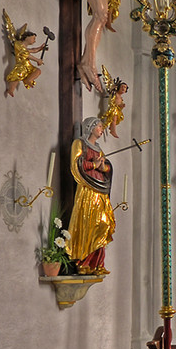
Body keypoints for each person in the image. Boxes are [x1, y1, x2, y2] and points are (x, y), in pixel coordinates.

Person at [65, 117, 116, 275]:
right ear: (90, 127)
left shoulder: (99, 149)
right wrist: (94, 164)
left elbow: (106, 168)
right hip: (87, 191)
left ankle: (97, 263)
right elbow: (77, 164)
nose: (101, 129)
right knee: (87, 225)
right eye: (99, 126)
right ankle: (84, 262)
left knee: (103, 224)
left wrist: (103, 167)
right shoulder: (79, 144)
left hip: (99, 190)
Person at [5, 29, 46, 97]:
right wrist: (37, 60)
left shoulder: (25, 47)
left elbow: (32, 50)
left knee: (38, 71)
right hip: (21, 65)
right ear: (27, 37)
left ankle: (29, 79)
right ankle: (11, 90)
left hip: (28, 65)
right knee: (17, 76)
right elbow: (26, 54)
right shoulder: (18, 44)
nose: (34, 41)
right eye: (33, 38)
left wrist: (40, 48)